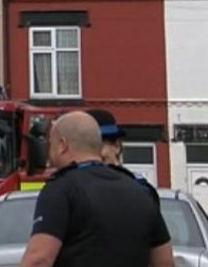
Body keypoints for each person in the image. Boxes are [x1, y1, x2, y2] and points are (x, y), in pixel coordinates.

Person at [19, 111, 173, 267]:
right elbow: (165, 262)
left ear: (62, 145)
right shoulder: (142, 191)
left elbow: (39, 260)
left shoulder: (61, 189)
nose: (48, 154)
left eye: (50, 143)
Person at [86, 108, 159, 203]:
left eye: (98, 145)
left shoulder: (138, 188)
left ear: (116, 146)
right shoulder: (73, 188)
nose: (92, 156)